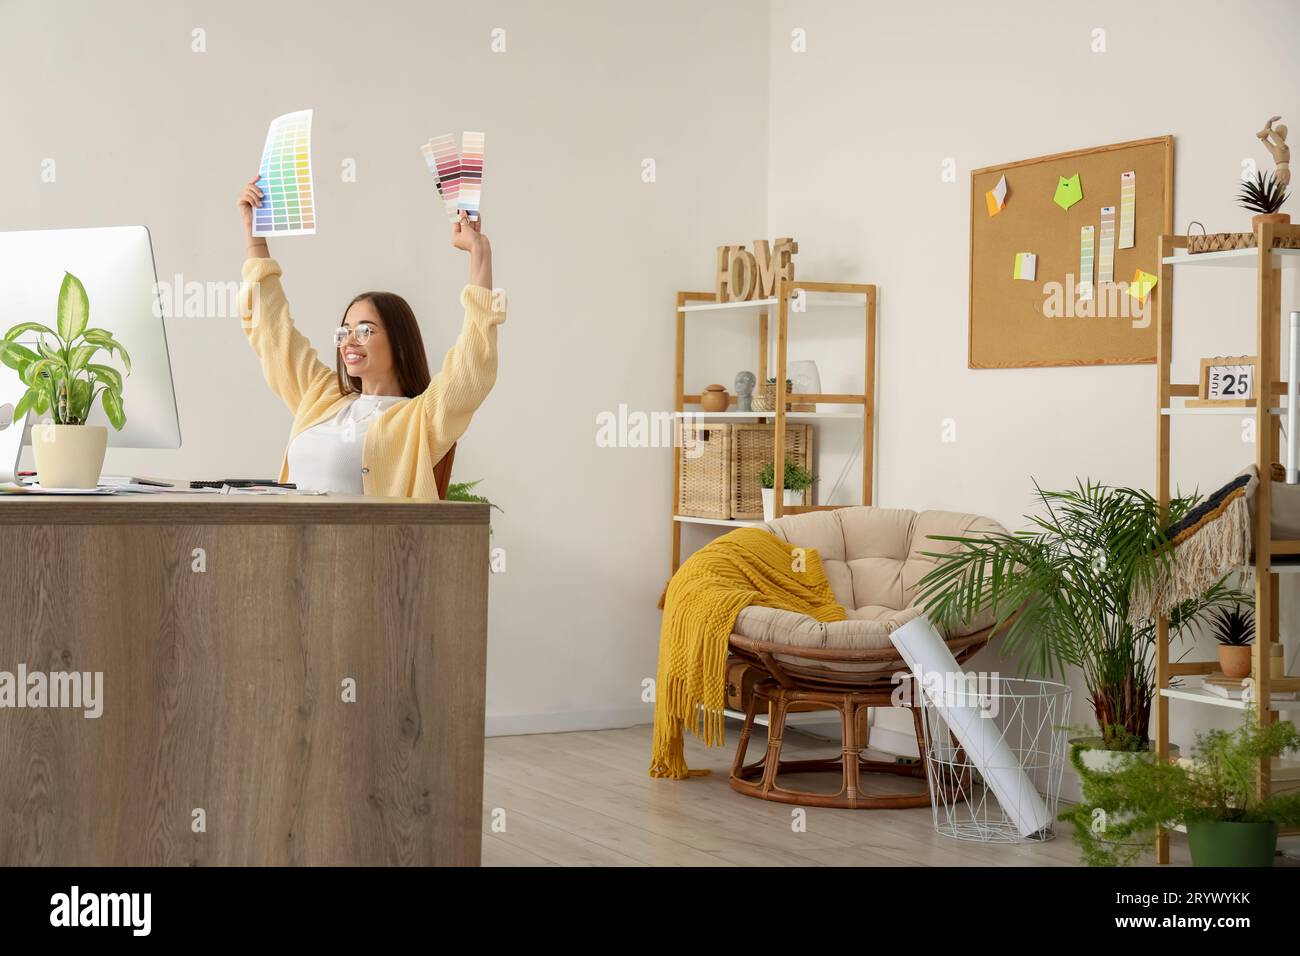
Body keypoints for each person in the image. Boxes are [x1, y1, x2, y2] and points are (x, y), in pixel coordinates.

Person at [235, 173, 504, 496]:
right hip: (293, 543)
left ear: (400, 344)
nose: (349, 341)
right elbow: (273, 334)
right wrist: (256, 242)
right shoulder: (322, 397)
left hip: (369, 546)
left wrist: (480, 254)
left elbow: (472, 367)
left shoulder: (419, 420)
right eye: (344, 332)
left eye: (365, 330)